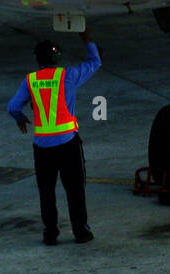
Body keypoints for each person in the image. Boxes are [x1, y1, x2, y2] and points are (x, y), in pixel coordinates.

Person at [7, 28, 101, 245]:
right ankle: (81, 232)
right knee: (75, 189)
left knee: (46, 191)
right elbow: (95, 62)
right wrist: (87, 39)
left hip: (42, 146)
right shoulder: (67, 75)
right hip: (68, 143)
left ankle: (50, 233)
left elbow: (12, 106)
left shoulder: (30, 81)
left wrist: (20, 118)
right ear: (57, 57)